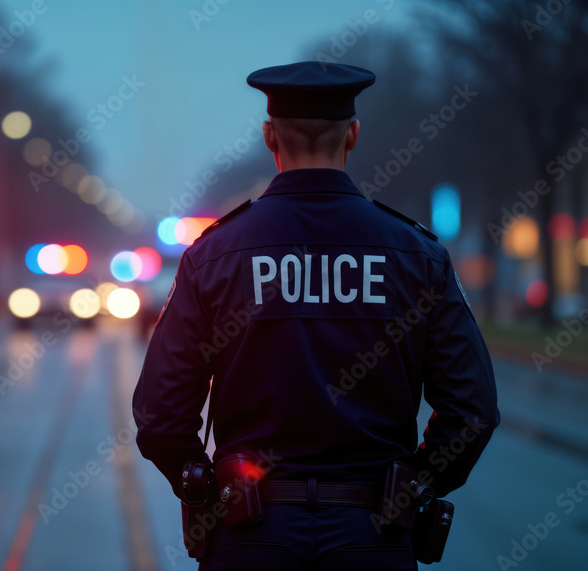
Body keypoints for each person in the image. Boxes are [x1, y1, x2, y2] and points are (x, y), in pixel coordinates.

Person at [132, 61, 500, 570]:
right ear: (352, 134)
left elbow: (160, 416)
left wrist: (203, 487)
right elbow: (472, 412)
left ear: (269, 136)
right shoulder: (416, 255)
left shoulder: (214, 254)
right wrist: (412, 487)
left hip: (250, 536)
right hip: (373, 535)